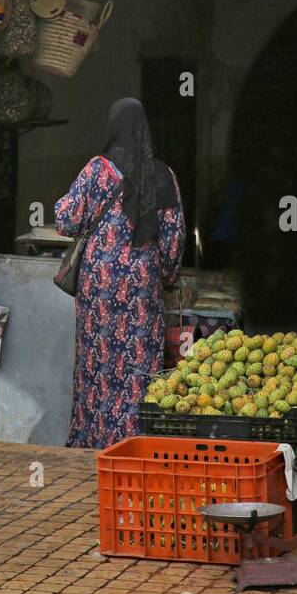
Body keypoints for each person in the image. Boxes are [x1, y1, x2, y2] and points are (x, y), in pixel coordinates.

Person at [55, 97, 185, 449]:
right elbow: (174, 239)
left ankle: (91, 444)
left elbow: (65, 220)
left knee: (96, 367)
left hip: (99, 286)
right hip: (143, 288)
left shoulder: (98, 170)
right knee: (139, 370)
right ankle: (133, 446)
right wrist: (167, 277)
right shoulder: (163, 175)